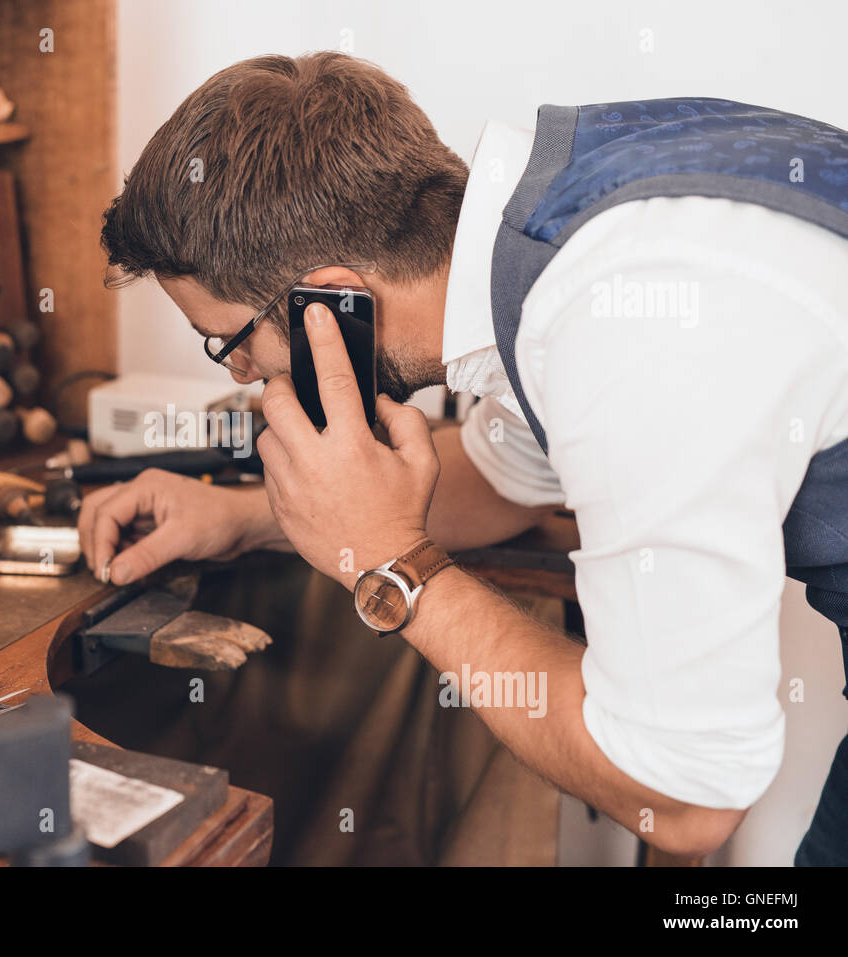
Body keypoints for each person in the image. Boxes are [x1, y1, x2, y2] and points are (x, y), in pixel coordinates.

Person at [82, 52, 848, 862]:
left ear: (332, 300)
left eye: (227, 341)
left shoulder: (625, 329)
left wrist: (392, 565)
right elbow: (504, 480)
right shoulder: (554, 234)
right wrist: (246, 518)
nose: (238, 373)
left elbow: (684, 797)